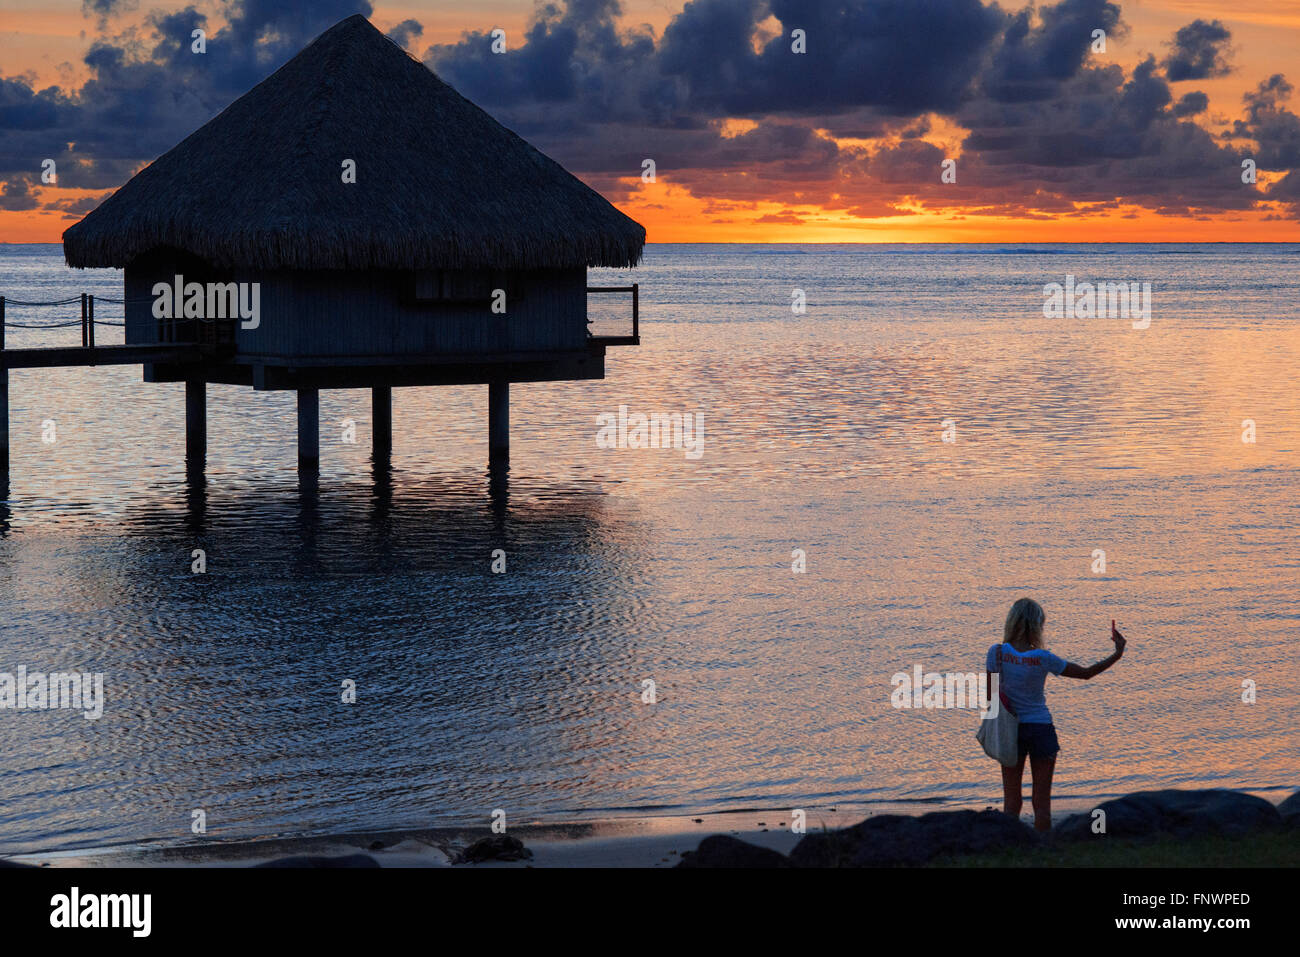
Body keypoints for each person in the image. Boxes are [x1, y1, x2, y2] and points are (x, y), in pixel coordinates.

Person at [986, 598, 1127, 832]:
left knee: (1012, 801)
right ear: (1037, 625)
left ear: (1011, 621)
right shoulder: (1043, 658)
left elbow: (991, 699)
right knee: (1042, 803)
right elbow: (1086, 674)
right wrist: (1117, 654)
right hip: (1041, 729)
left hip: (1011, 731)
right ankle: (1044, 852)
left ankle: (1010, 851)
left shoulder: (996, 653)